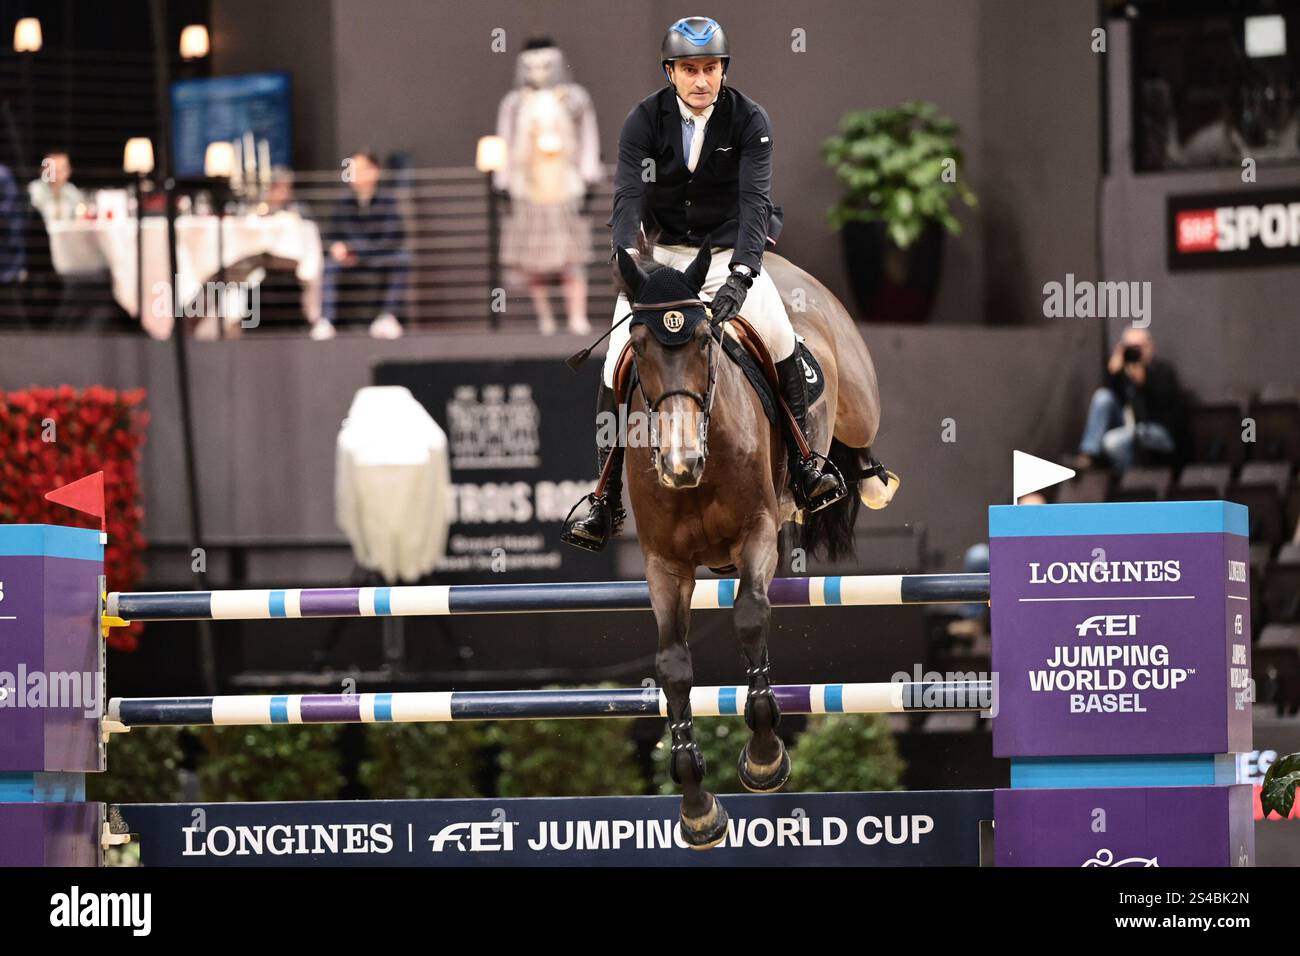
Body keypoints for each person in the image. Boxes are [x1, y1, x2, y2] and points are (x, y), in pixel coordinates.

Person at [562, 16, 843, 551]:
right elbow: (627, 197)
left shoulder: (749, 120)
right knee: (616, 359)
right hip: (664, 260)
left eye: (710, 69)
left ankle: (807, 464)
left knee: (779, 338)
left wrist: (743, 274)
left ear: (722, 71)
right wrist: (625, 257)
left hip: (728, 252)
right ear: (670, 72)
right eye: (689, 69)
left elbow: (755, 205)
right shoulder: (643, 120)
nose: (700, 80)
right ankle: (604, 497)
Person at [494, 36, 600, 335]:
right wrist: (503, 180)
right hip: (529, 188)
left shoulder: (574, 98)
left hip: (566, 186)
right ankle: (546, 320)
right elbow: (505, 140)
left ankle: (577, 316)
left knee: (571, 259)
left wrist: (588, 175)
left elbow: (588, 136)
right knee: (533, 262)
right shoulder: (515, 103)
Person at [313, 151, 409, 340]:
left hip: (379, 257)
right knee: (329, 264)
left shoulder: (388, 201)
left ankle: (387, 317)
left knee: (402, 258)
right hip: (350, 260)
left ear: (375, 171)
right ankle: (326, 321)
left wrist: (355, 249)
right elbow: (332, 234)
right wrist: (338, 247)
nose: (355, 174)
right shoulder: (343, 202)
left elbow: (392, 237)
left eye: (361, 169)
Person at [1075, 328, 1185, 474]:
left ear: (1150, 347)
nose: (1134, 352)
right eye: (1129, 348)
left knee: (1112, 441)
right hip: (1129, 425)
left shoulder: (1162, 370)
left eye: (1138, 347)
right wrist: (1113, 374)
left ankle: (1130, 481)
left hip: (1158, 429)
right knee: (1102, 396)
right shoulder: (1123, 373)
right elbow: (1115, 402)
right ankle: (1089, 452)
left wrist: (1144, 381)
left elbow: (1165, 404)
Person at [27, 151, 84, 225]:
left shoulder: (71, 190)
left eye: (62, 169)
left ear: (69, 170)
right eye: (54, 169)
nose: (58, 174)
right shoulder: (35, 188)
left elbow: (79, 216)